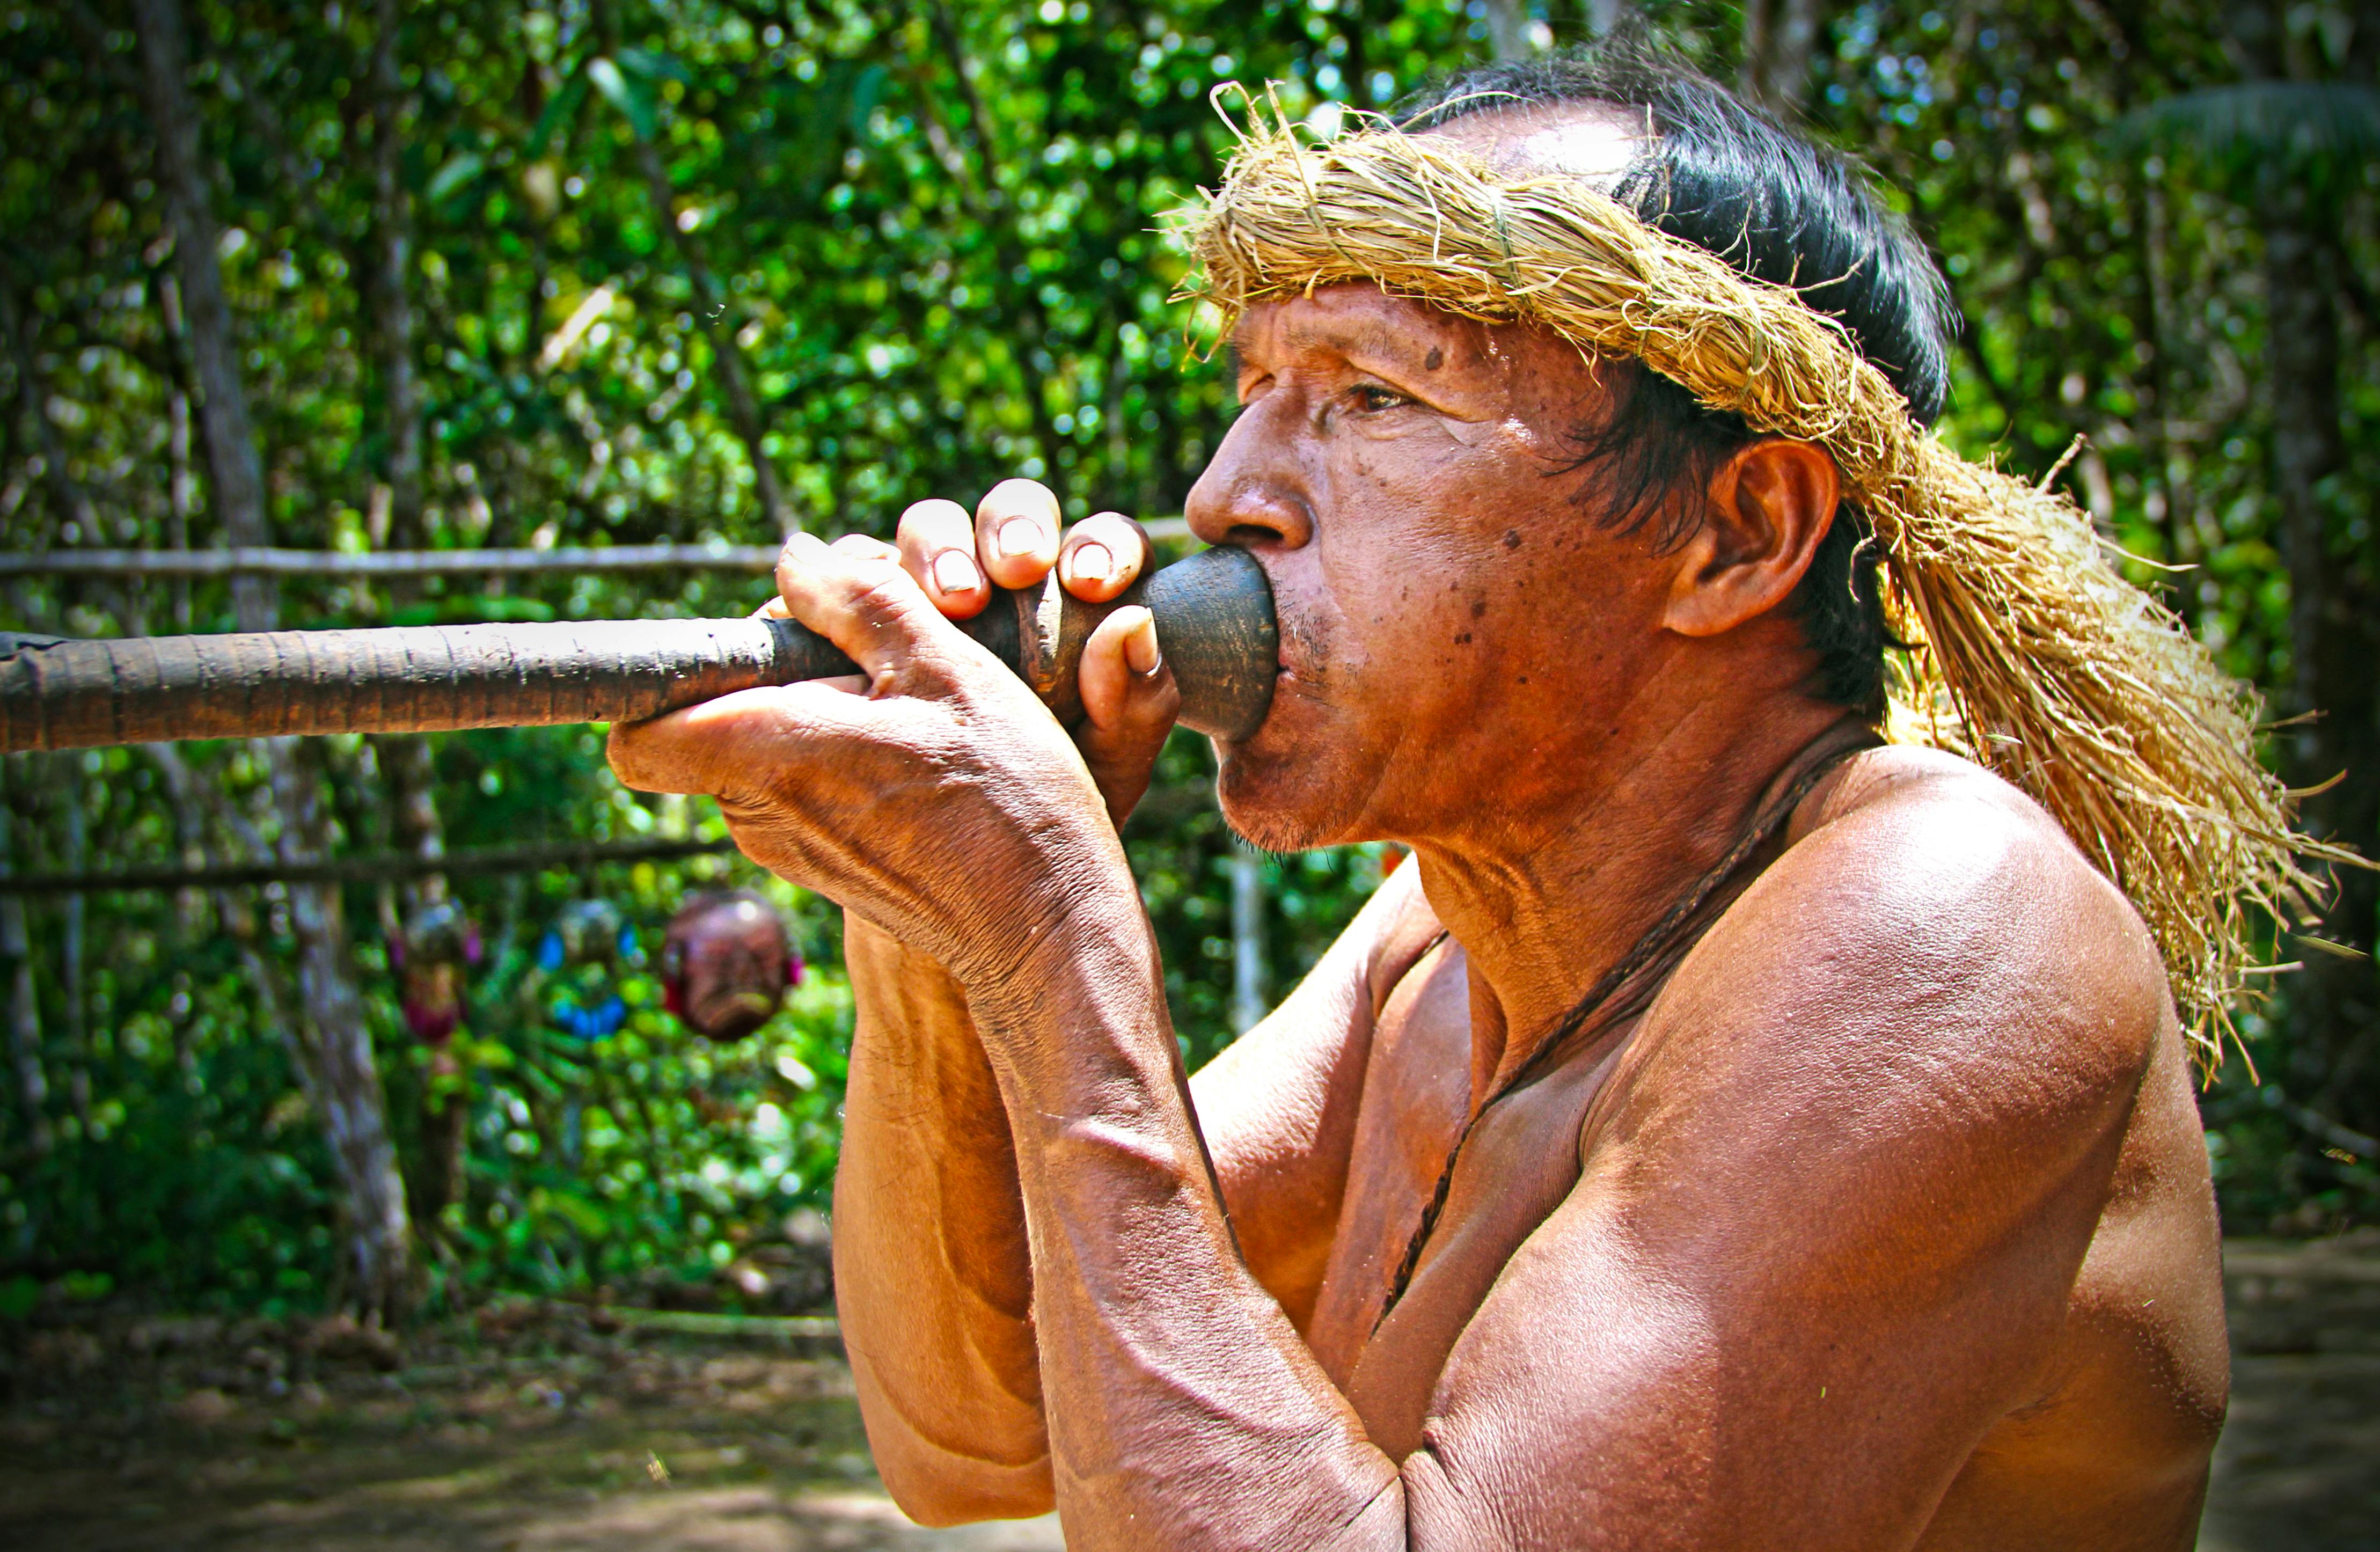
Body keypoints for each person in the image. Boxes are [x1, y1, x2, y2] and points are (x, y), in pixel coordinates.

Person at [608, 51, 2267, 1550]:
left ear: (1736, 532)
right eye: (1257, 387)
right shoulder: (1438, 947)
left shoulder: (1943, 924)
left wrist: (1048, 925)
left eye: (1373, 396)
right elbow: (973, 1429)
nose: (1223, 493)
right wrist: (938, 917)